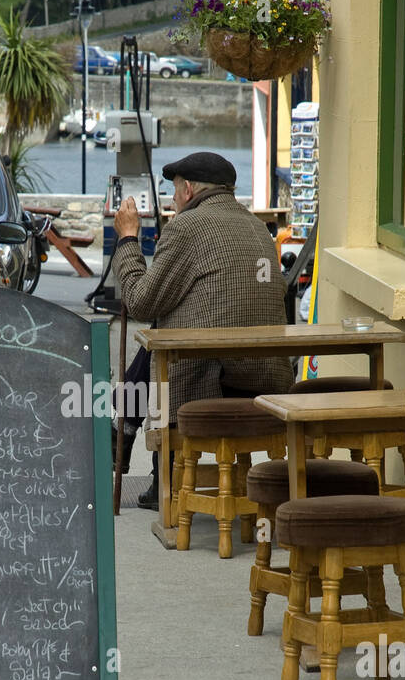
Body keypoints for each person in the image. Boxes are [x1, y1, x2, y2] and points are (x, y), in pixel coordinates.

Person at [111, 151, 293, 509]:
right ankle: (145, 457)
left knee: (161, 333)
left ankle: (129, 440)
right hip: (267, 376)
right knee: (174, 323)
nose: (174, 200)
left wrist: (127, 240)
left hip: (212, 379)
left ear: (189, 190)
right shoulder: (258, 228)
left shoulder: (187, 227)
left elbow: (140, 302)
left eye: (175, 192)